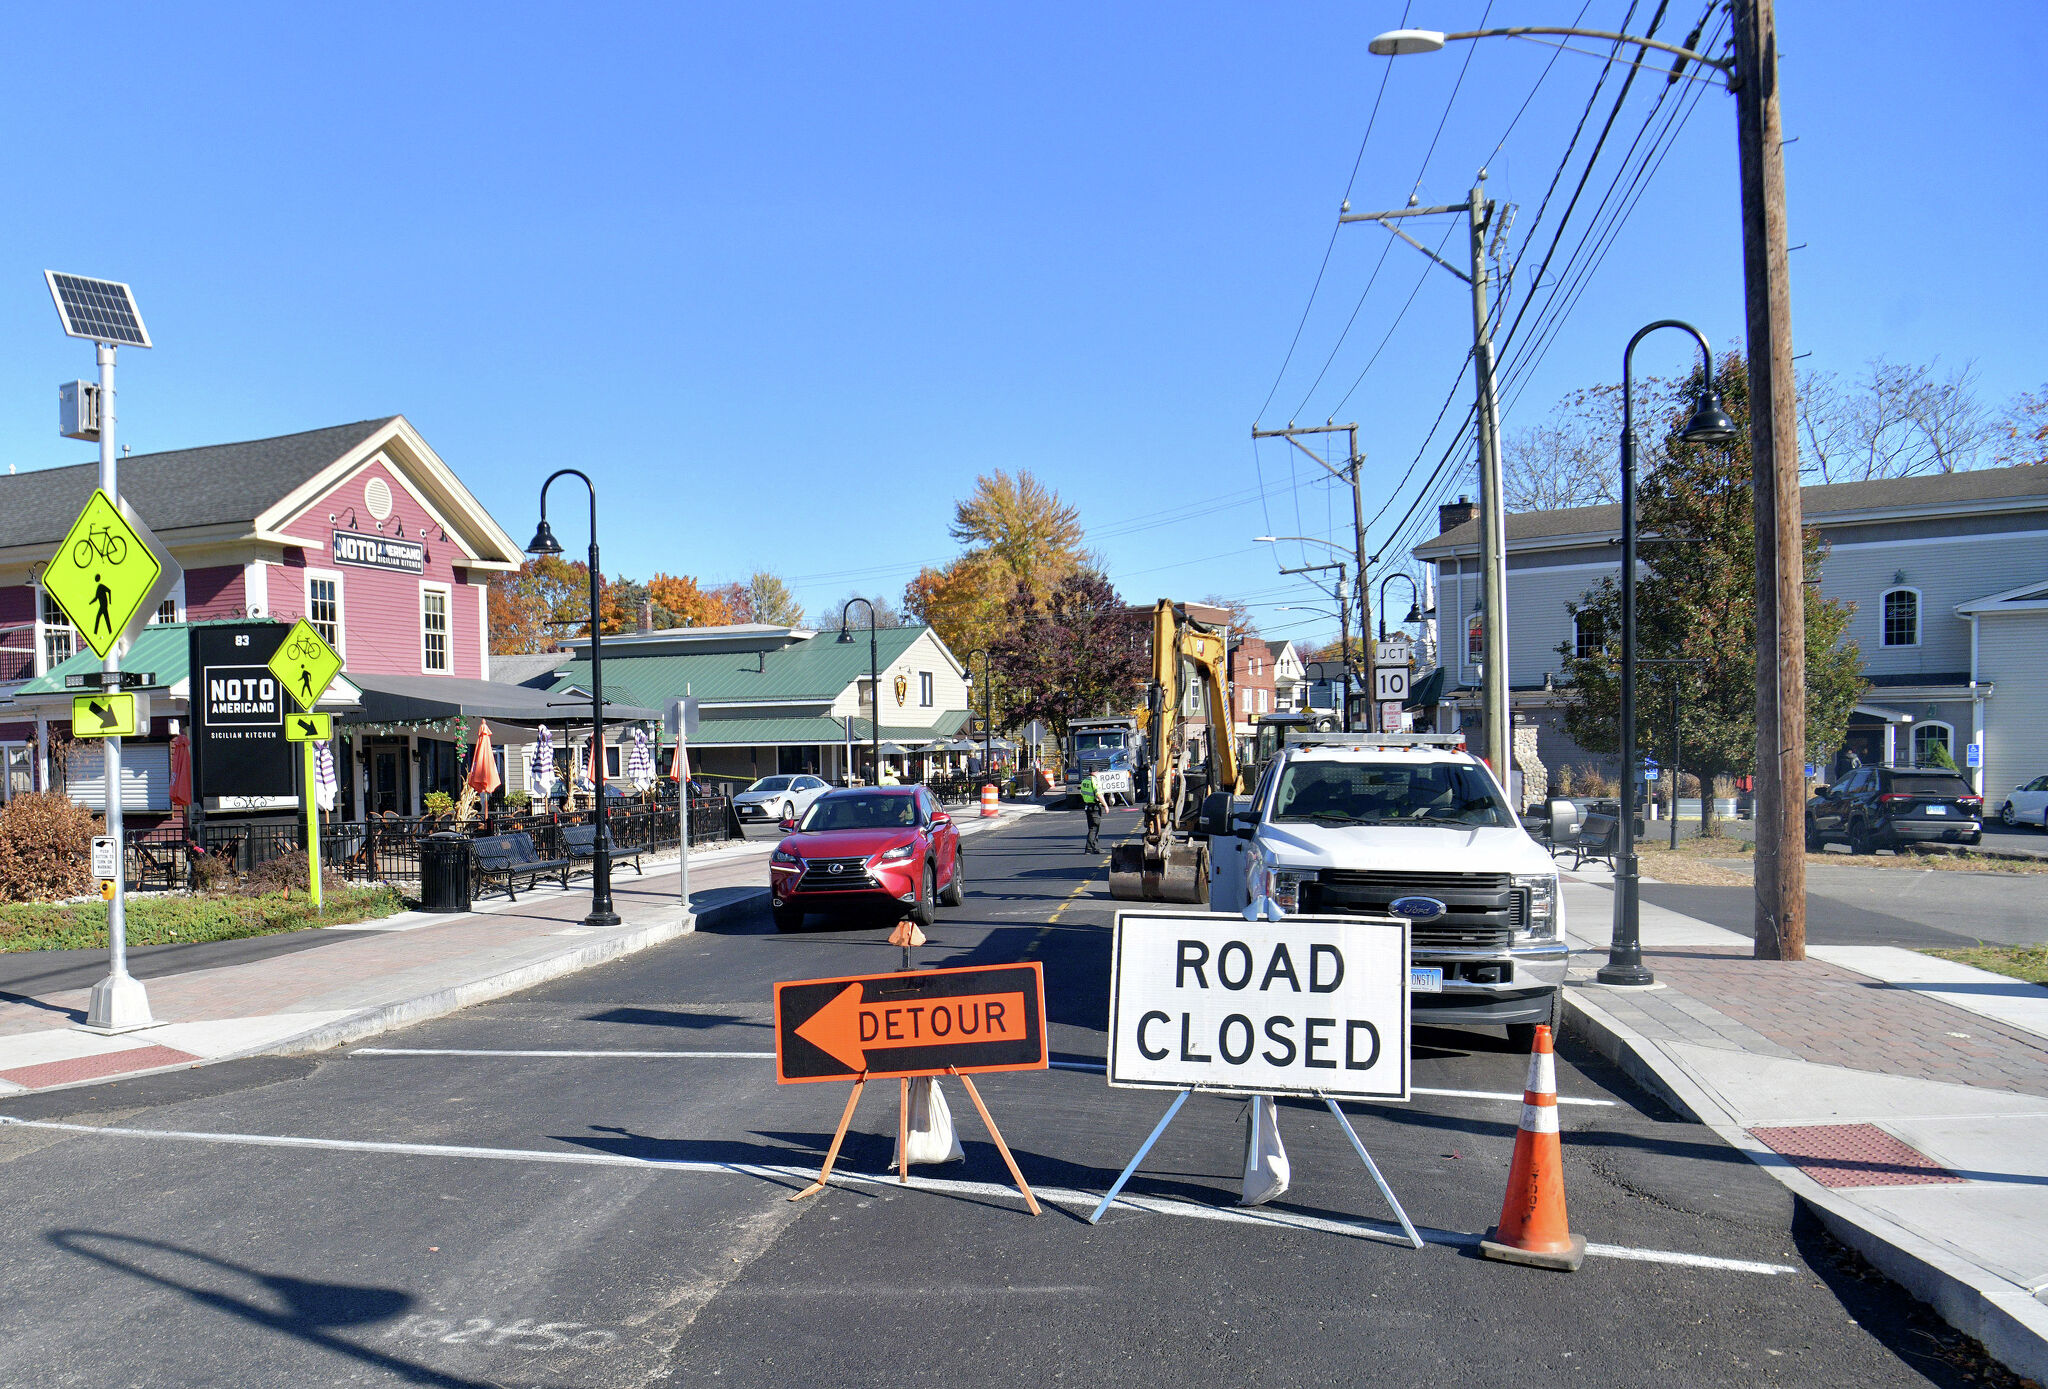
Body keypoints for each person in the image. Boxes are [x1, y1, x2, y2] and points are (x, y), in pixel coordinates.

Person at [1080, 770, 1102, 854]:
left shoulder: (1085, 780)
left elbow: (1082, 793)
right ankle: (1089, 848)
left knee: (1092, 827)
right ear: (1096, 772)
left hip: (1088, 806)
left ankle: (1095, 847)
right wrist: (1105, 805)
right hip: (1094, 806)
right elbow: (1098, 794)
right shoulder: (1094, 780)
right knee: (1094, 828)